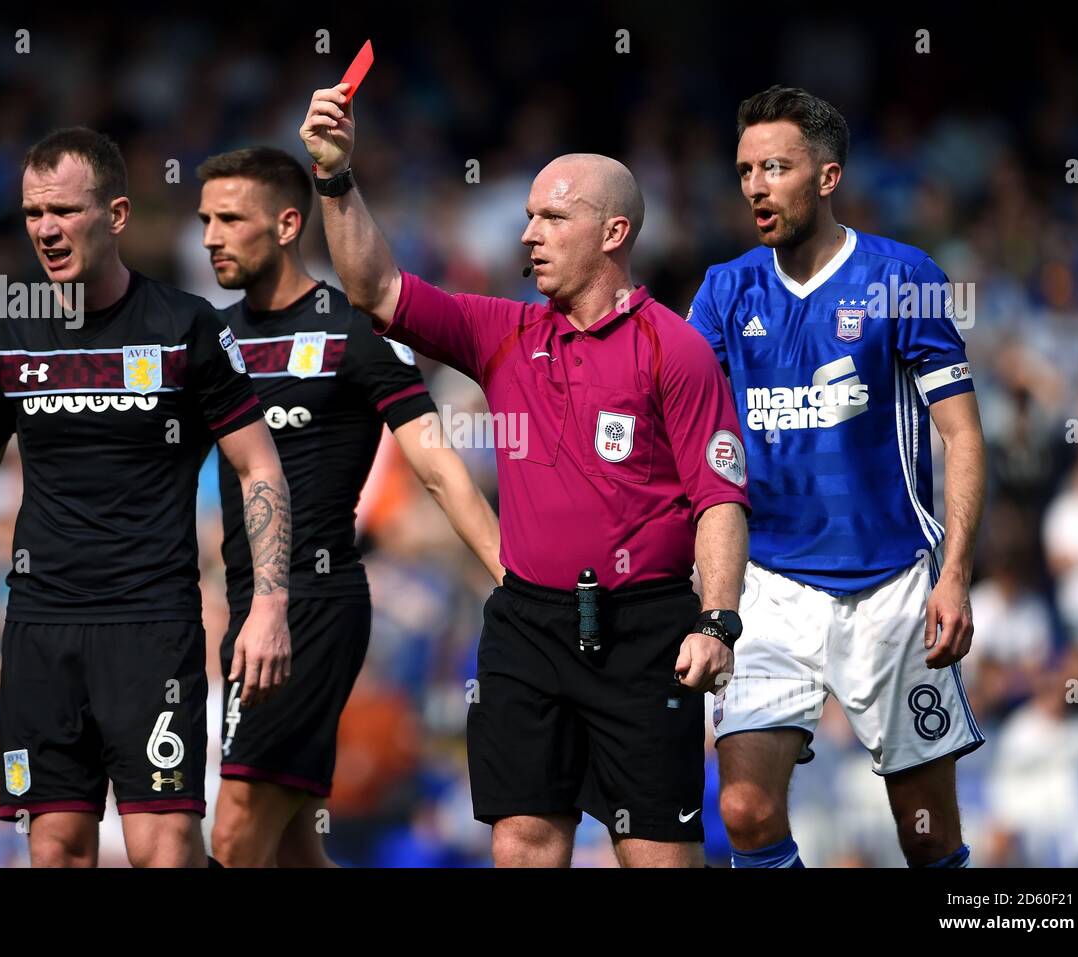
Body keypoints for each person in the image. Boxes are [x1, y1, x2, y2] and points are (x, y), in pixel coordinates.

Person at [300, 83, 751, 868]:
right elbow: (375, 288)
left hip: (646, 631)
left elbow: (718, 498)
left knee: (656, 854)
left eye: (552, 217)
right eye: (530, 215)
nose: (529, 233)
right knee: (522, 842)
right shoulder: (502, 331)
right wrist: (337, 176)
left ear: (614, 232)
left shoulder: (674, 349)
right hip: (527, 626)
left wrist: (716, 620)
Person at [0, 128, 292, 868]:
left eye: (63, 210)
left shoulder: (185, 326)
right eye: (32, 213)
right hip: (41, 623)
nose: (45, 229)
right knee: (57, 845)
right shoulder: (8, 326)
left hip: (151, 623)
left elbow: (259, 467)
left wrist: (270, 605)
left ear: (117, 214)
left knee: (162, 848)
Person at [688, 86, 986, 868]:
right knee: (746, 810)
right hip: (770, 583)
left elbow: (961, 434)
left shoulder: (903, 274)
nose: (755, 184)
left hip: (890, 587)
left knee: (927, 835)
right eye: (746, 168)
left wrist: (953, 575)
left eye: (776, 167)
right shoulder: (725, 289)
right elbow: (688, 435)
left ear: (825, 177)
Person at [195, 146, 503, 867]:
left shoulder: (354, 331)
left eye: (230, 218)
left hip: (313, 605)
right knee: (296, 844)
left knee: (237, 831)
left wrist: (508, 573)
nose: (209, 235)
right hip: (245, 605)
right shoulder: (211, 337)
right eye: (204, 218)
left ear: (286, 224)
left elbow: (438, 469)